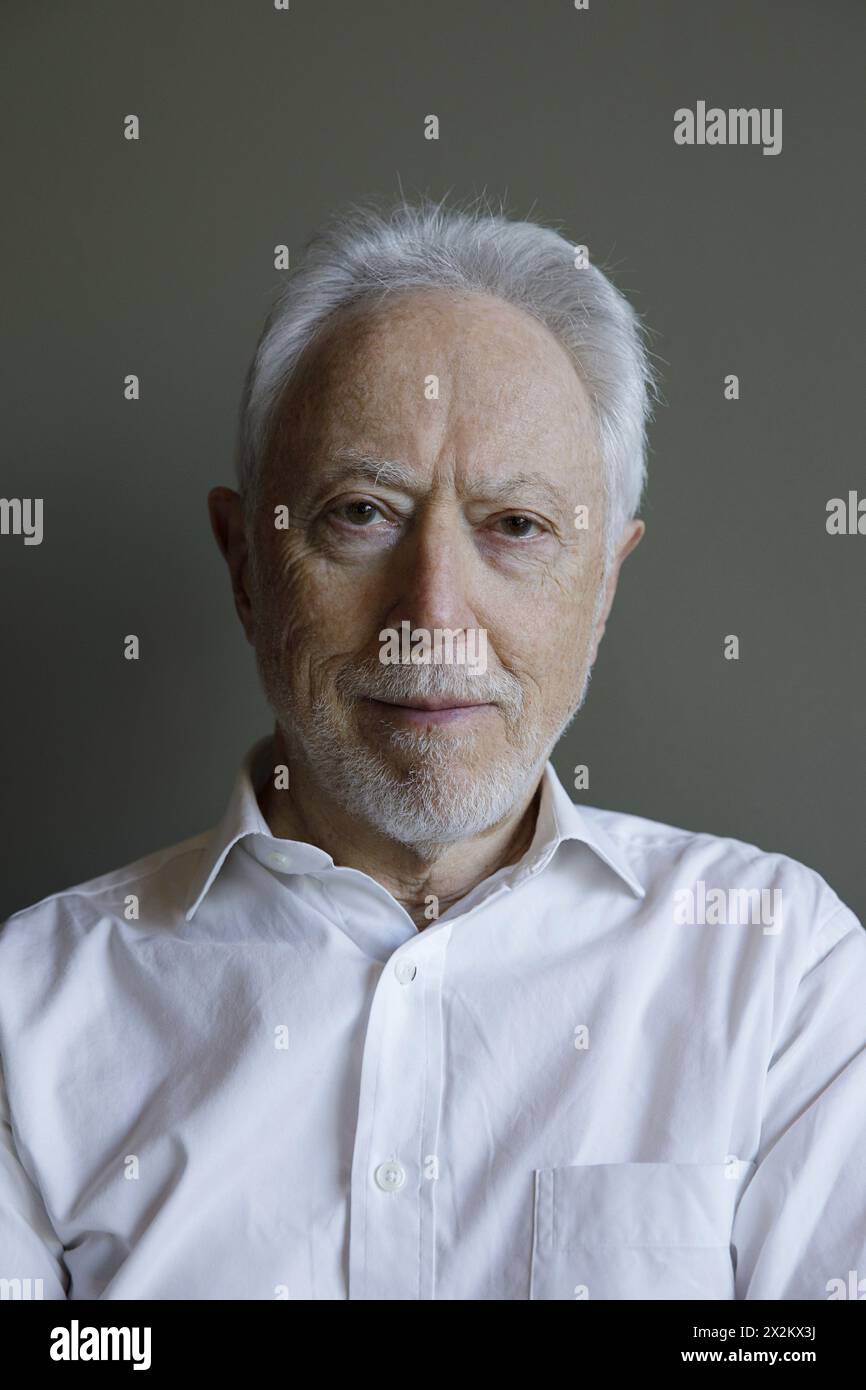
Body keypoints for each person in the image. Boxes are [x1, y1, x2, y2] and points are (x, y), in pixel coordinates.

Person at [1, 196, 863, 1301]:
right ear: (245, 566)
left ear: (603, 588)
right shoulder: (28, 1018)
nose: (433, 617)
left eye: (516, 526)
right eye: (362, 513)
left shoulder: (781, 974)